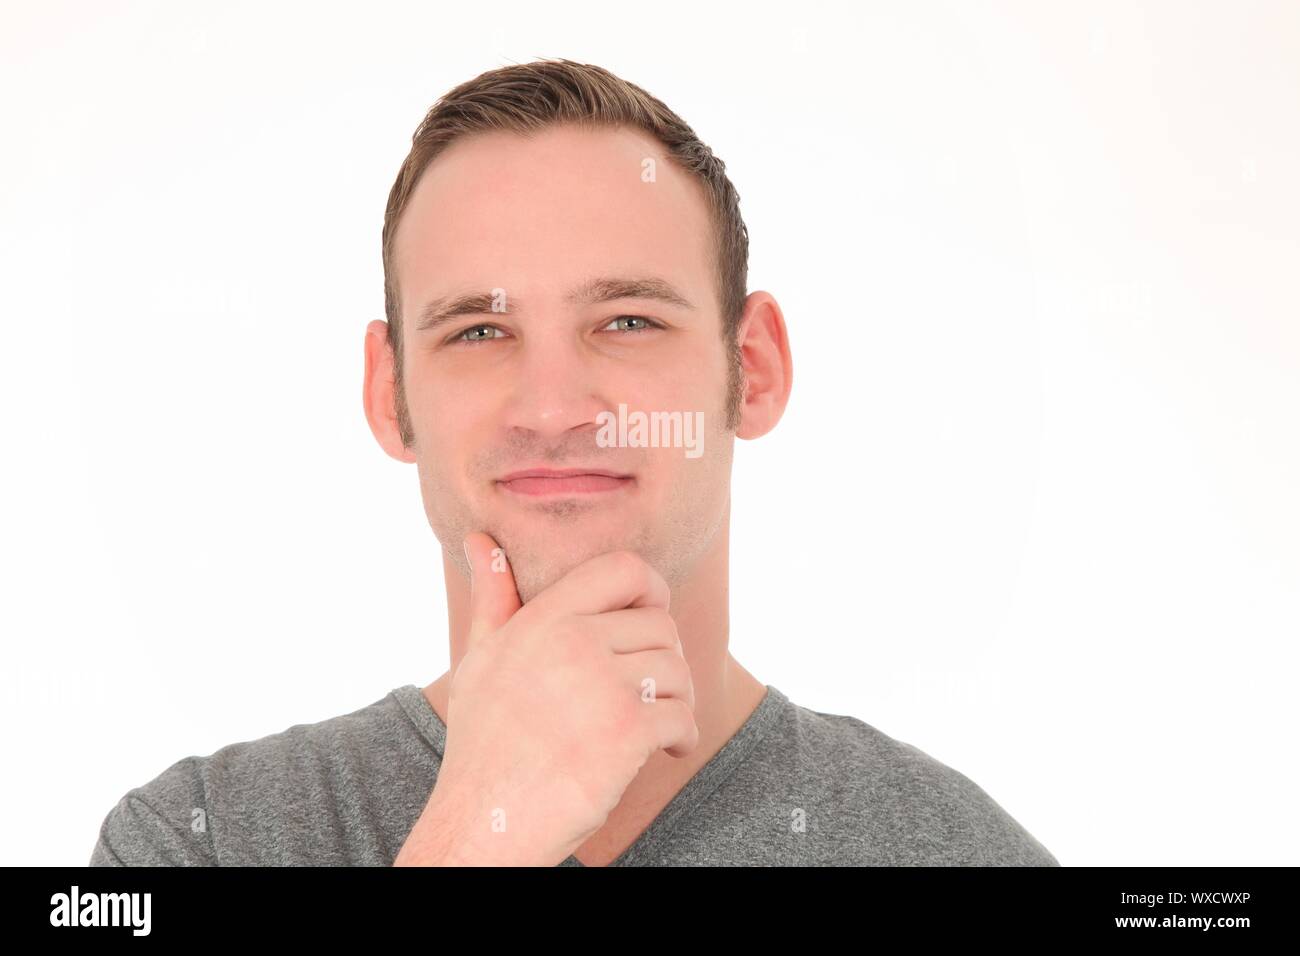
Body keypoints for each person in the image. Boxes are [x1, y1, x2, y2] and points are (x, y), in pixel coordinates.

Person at [90, 58, 1057, 867]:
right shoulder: (191, 845)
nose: (553, 407)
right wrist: (474, 836)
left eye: (627, 320)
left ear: (751, 369)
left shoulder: (959, 854)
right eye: (478, 329)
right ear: (390, 395)